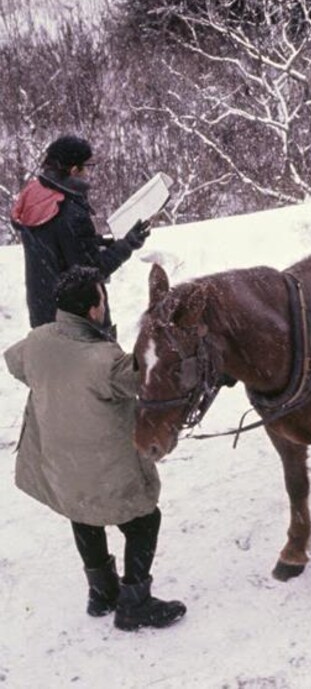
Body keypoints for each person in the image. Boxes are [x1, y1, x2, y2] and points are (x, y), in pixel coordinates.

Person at [3, 266, 186, 631]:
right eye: (102, 298)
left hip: (61, 463)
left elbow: (13, 361)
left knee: (83, 516)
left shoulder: (36, 342)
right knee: (144, 521)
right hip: (104, 467)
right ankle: (135, 601)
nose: (105, 304)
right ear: (92, 311)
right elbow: (148, 378)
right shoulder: (105, 361)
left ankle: (102, 593)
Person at [10, 135, 150, 328]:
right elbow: (92, 270)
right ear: (74, 170)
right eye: (87, 167)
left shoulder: (36, 195)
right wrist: (128, 244)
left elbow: (59, 244)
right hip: (79, 321)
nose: (88, 174)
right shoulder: (70, 212)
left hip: (44, 315)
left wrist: (100, 242)